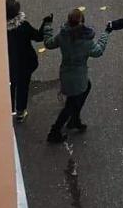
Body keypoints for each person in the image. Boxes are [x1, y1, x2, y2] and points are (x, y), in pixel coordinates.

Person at [45, 10, 110, 143]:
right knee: (71, 104)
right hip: (79, 76)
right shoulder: (86, 41)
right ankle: (56, 130)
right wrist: (106, 33)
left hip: (66, 73)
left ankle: (74, 120)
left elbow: (49, 43)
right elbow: (98, 51)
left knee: (80, 94)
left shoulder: (63, 36)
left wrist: (47, 26)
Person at [6, 0, 51, 122]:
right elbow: (38, 36)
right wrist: (46, 23)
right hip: (25, 61)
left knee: (11, 85)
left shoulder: (1, 30)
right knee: (22, 86)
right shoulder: (23, 26)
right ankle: (20, 112)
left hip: (9, 63)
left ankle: (8, 109)